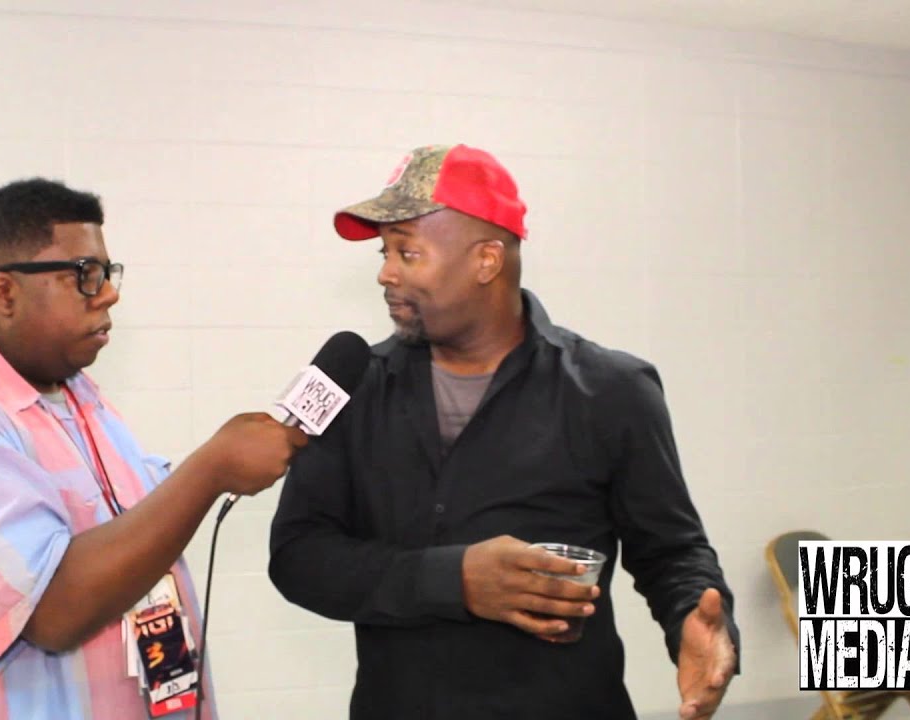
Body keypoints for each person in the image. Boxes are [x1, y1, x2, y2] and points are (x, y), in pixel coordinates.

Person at [269, 145, 740, 719]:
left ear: (487, 261)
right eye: (384, 252)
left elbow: (671, 551)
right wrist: (453, 580)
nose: (385, 273)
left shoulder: (611, 390)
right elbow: (298, 557)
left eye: (407, 252)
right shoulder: (354, 385)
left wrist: (695, 618)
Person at [0, 178, 306, 719]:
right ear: (4, 293)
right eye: (85, 275)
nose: (108, 293)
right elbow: (51, 612)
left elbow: (131, 536)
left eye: (108, 273)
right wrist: (211, 470)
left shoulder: (75, 392)